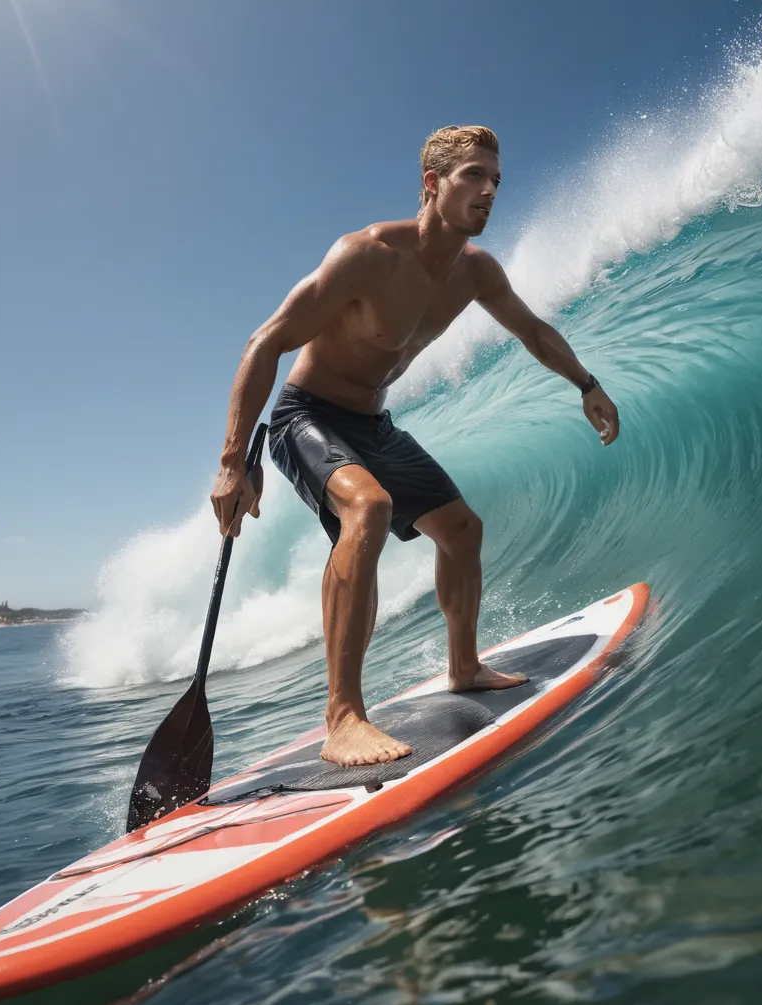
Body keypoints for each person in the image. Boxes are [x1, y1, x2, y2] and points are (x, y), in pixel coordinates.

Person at [211, 125, 620, 768]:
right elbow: (267, 341)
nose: (489, 190)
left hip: (373, 424)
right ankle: (343, 717)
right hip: (306, 417)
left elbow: (533, 331)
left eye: (496, 179)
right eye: (473, 176)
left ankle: (464, 667)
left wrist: (587, 384)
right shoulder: (368, 254)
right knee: (367, 507)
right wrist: (234, 461)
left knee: (462, 530)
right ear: (433, 184)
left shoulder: (476, 272)